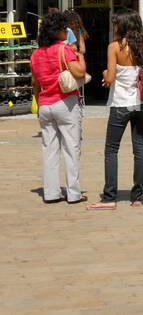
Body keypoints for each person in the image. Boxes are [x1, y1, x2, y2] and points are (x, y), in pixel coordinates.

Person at [88, 11, 143, 209]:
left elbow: (109, 78)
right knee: (139, 148)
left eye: (115, 24)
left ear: (122, 26)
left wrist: (106, 72)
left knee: (111, 150)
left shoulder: (114, 47)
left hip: (121, 104)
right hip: (142, 103)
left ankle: (109, 197)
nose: (113, 27)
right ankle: (138, 196)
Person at [30, 11, 88, 204]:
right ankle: (73, 193)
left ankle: (51, 193)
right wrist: (79, 55)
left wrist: (39, 104)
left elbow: (35, 83)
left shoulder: (36, 54)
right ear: (58, 31)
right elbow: (80, 72)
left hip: (45, 104)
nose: (67, 31)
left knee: (49, 150)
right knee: (72, 148)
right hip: (65, 103)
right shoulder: (64, 50)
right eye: (65, 29)